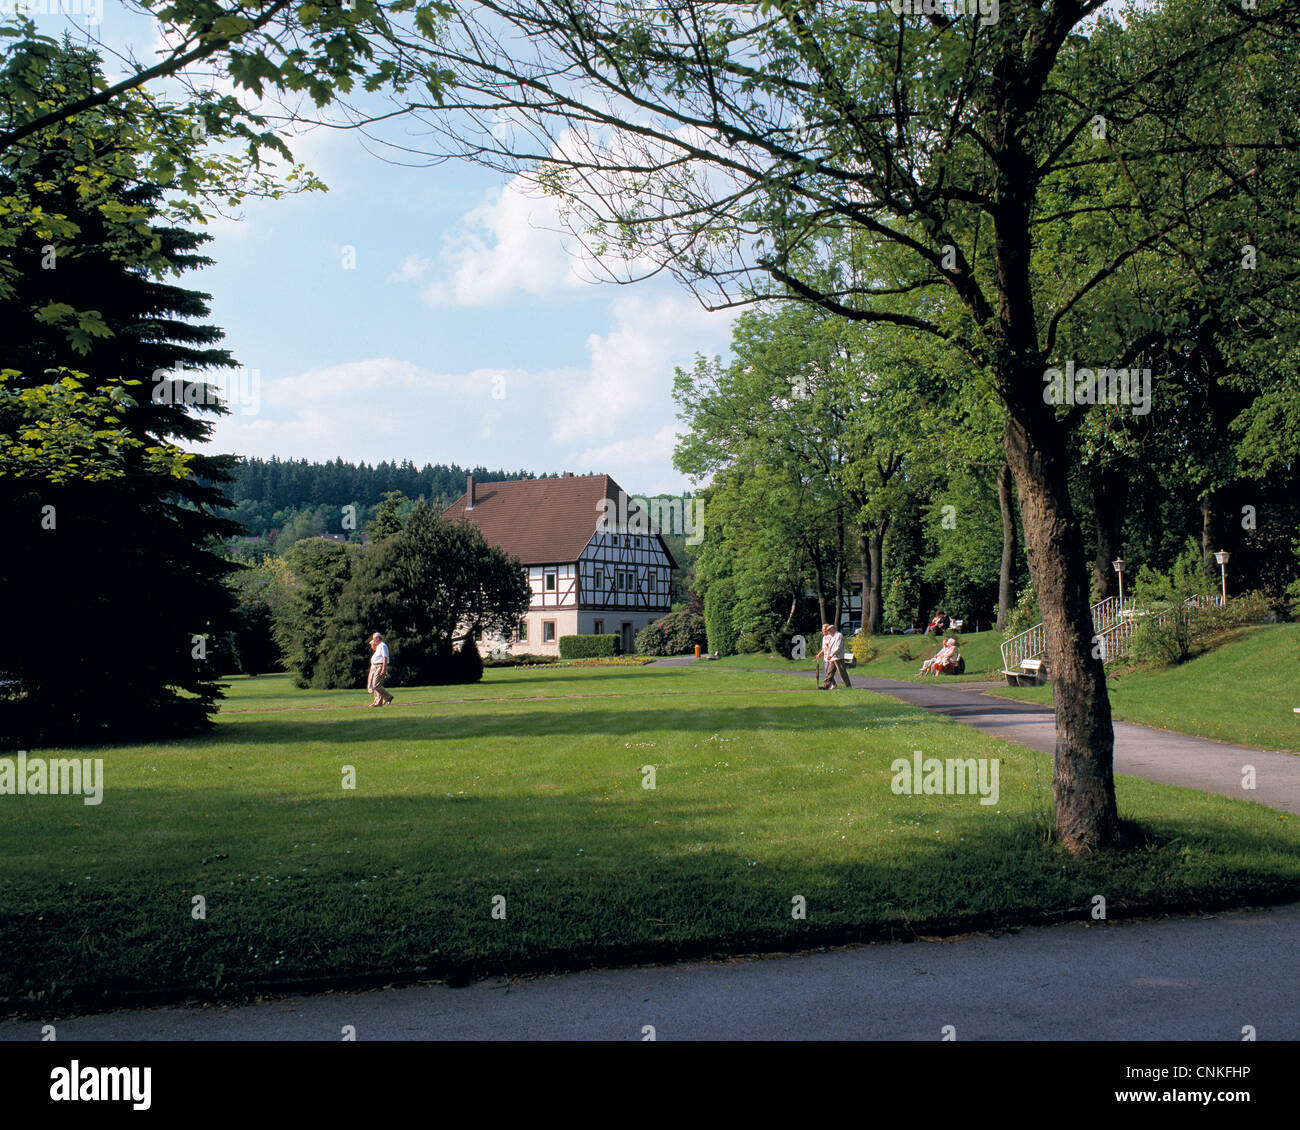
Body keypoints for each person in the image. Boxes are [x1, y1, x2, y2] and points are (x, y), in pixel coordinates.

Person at [819, 623, 853, 690]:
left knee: (842, 672)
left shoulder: (838, 635)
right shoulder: (832, 636)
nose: (828, 632)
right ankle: (825, 686)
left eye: (829, 631)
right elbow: (830, 648)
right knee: (829, 673)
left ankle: (848, 686)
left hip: (838, 657)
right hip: (832, 658)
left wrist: (831, 655)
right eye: (828, 631)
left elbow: (838, 648)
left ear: (833, 630)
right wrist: (829, 655)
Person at [367, 631, 394, 707]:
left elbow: (385, 658)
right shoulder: (379, 646)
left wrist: (383, 669)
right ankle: (377, 702)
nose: (374, 641)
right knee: (376, 685)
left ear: (378, 638)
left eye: (374, 639)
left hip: (380, 666)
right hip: (376, 667)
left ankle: (388, 697)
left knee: (376, 685)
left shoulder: (382, 645)